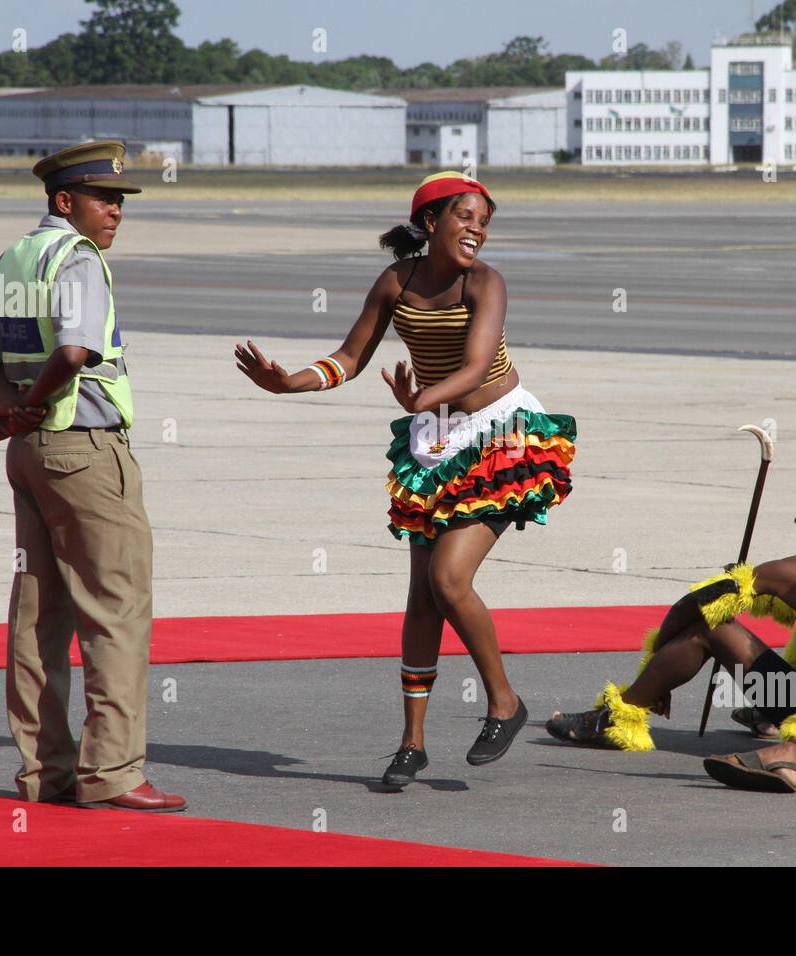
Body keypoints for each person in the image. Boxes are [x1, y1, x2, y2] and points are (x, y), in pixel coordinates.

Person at [236, 171, 576, 789]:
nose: (477, 229)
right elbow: (350, 357)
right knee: (422, 598)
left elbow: (476, 366)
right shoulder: (396, 281)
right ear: (430, 224)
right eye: (466, 218)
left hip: (501, 438)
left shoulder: (486, 281)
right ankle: (411, 744)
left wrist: (423, 400)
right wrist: (290, 383)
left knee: (450, 580)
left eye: (484, 221)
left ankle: (504, 701)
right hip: (436, 442)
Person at [546, 391, 796, 796]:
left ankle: (618, 717)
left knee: (711, 628)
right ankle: (761, 714)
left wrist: (660, 671)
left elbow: (697, 603)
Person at [0, 140, 186, 812]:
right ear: (66, 202)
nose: (116, 211)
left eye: (120, 200)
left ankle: (46, 772)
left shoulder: (15, 257)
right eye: (105, 198)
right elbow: (75, 348)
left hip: (31, 453)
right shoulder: (79, 259)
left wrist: (12, 408)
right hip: (84, 450)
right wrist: (34, 404)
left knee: (37, 614)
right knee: (115, 609)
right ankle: (113, 772)